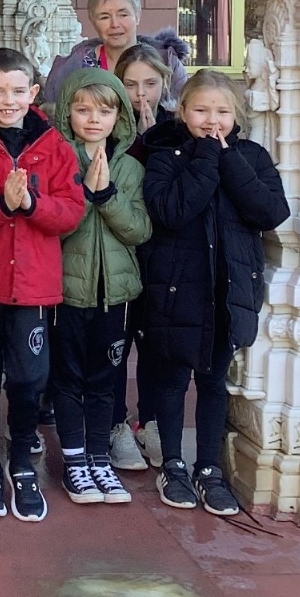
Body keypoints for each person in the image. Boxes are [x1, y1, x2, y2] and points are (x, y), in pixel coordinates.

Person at [141, 70, 289, 516]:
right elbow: (172, 210)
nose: (212, 120)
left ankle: (209, 469)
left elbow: (270, 210)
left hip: (229, 290)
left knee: (213, 382)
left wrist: (228, 159)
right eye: (201, 110)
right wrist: (206, 157)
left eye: (222, 111)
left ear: (236, 114)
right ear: (182, 111)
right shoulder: (165, 156)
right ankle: (172, 464)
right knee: (172, 380)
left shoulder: (251, 157)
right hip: (177, 288)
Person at [0, 47, 85, 523]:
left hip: (33, 288)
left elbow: (71, 212)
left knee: (30, 378)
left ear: (32, 92)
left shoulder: (54, 146)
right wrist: (1, 206)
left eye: (17, 90)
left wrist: (31, 204)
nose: (8, 100)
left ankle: (22, 462)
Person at [50, 69, 151, 506]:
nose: (93, 119)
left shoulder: (129, 167)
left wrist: (107, 194)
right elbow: (53, 228)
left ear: (119, 117)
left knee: (105, 379)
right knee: (68, 378)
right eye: (83, 110)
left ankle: (98, 457)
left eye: (104, 112)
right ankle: (74, 459)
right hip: (67, 292)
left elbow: (139, 230)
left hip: (116, 294)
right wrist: (83, 196)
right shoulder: (56, 160)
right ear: (67, 113)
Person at [109, 42, 176, 471]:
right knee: (117, 343)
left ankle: (149, 420)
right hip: (119, 249)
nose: (140, 94)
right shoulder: (108, 126)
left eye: (149, 84)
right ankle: (116, 424)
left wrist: (154, 142)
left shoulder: (176, 128)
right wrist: (136, 142)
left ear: (163, 84)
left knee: (155, 343)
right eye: (131, 85)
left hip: (163, 253)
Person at [42, 0, 189, 108]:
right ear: (92, 20)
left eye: (123, 15)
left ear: (137, 15)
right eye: (104, 17)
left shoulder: (167, 63)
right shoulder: (73, 67)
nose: (114, 24)